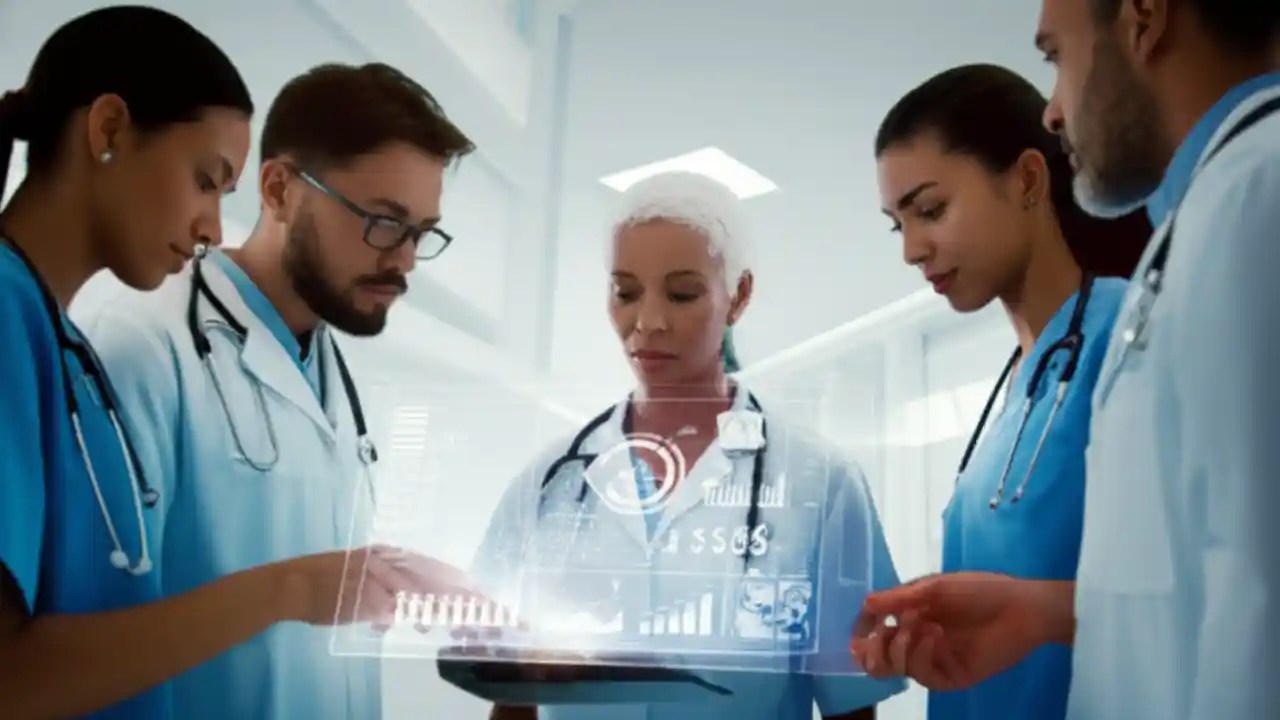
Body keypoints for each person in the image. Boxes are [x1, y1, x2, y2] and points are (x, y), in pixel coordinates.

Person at [0, 7, 473, 719]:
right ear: (279, 189)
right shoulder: (124, 339)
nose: (404, 258)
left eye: (420, 233)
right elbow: (38, 662)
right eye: (382, 221)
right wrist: (295, 589)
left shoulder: (329, 373)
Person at [851, 2, 1280, 719]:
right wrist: (1038, 612)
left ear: (1144, 17)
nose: (1052, 113)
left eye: (1054, 56)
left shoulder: (1246, 205)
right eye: (899, 224)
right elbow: (1189, 587)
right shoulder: (1191, 239)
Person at [469, 171, 907, 720]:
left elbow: (850, 708)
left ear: (739, 295)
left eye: (682, 294)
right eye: (625, 293)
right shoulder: (550, 481)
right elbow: (513, 700)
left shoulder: (821, 482)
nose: (647, 323)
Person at [853, 64, 1150, 720]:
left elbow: (1193, 585)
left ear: (1026, 180)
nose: (910, 250)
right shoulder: (1013, 390)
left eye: (930, 210)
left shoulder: (1130, 339)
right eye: (896, 225)